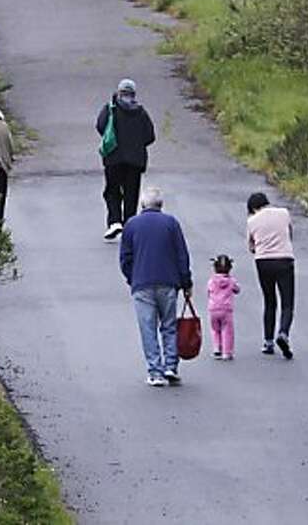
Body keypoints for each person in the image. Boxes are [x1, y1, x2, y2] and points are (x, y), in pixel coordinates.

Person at [119, 185, 192, 386]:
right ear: (161, 204)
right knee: (169, 325)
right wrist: (186, 282)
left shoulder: (132, 225)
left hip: (142, 283)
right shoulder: (171, 223)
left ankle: (155, 371)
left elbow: (125, 258)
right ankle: (171, 366)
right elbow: (182, 255)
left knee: (148, 328)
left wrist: (132, 278)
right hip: (168, 283)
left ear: (143, 203)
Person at [95, 78, 156, 240]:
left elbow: (101, 126)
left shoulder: (110, 109)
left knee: (112, 190)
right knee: (131, 193)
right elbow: (150, 136)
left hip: (113, 158)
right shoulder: (141, 112)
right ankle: (129, 226)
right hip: (135, 161)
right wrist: (136, 144)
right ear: (134, 94)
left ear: (119, 92)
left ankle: (114, 222)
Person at [246, 191, 297, 358]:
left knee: (270, 301)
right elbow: (290, 234)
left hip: (263, 262)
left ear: (253, 208)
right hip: (284, 260)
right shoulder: (284, 213)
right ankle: (283, 333)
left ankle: (268, 342)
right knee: (287, 302)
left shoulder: (252, 221)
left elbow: (251, 247)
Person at [207, 254, 240, 360]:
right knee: (227, 330)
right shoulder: (231, 281)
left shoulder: (211, 281)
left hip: (213, 309)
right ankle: (227, 352)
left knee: (215, 329)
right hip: (226, 310)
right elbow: (237, 290)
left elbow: (208, 292)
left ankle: (217, 348)